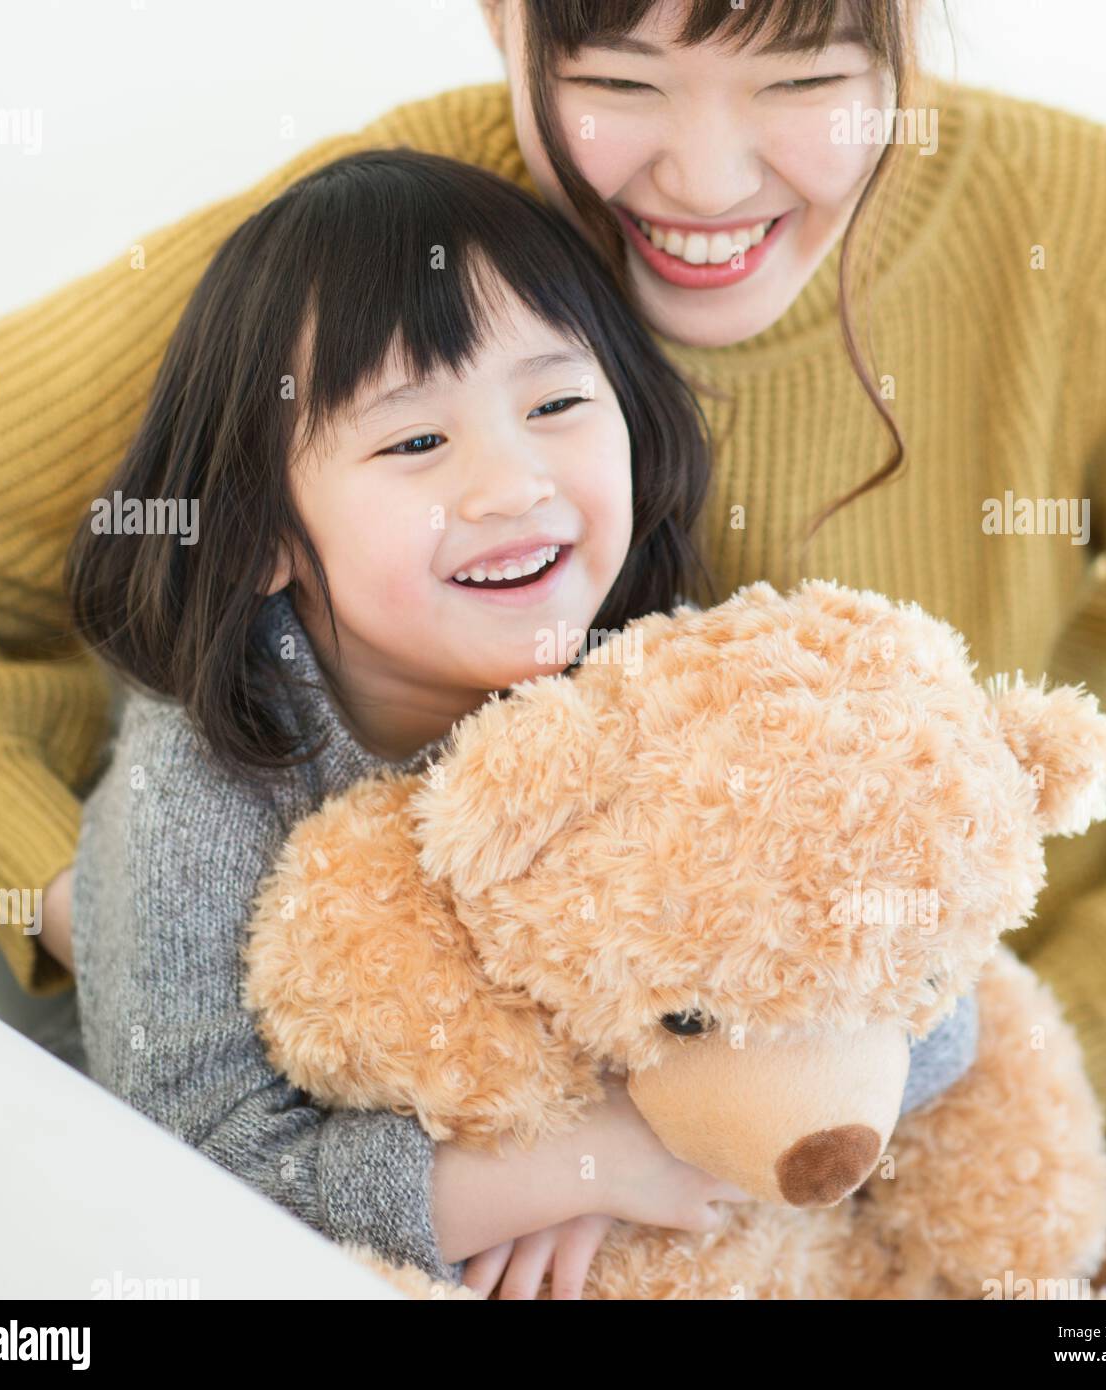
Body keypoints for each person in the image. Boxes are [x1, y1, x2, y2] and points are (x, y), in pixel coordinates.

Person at [0, 0, 1106, 1296]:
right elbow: (201, 1133)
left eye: (802, 76)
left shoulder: (1088, 232)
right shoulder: (381, 256)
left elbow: (910, 985)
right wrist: (76, 894)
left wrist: (818, 1100)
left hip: (992, 1082)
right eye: (621, 77)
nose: (709, 177)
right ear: (505, 23)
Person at [58, 146, 978, 1300]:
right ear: (258, 536)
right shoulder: (202, 777)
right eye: (413, 442)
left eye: (554, 404)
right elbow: (185, 1155)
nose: (512, 484)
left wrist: (688, 1123)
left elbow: (935, 1005)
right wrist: (567, 1167)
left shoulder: (677, 686)